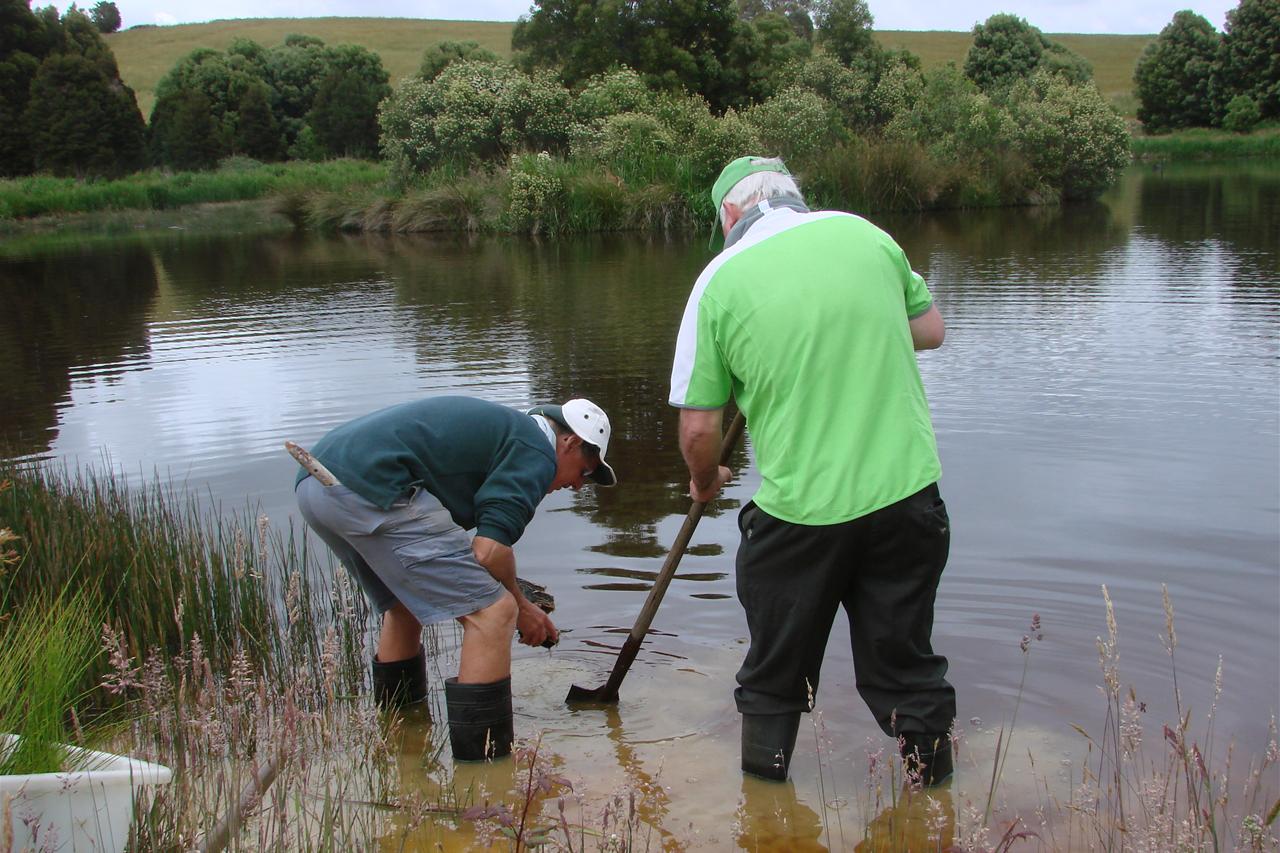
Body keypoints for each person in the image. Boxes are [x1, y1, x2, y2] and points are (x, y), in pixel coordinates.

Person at [668, 156, 955, 786]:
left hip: (802, 518)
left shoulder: (719, 280)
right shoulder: (866, 234)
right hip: (907, 501)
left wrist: (706, 476)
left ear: (730, 214)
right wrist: (853, 330)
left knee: (776, 676)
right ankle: (935, 802)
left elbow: (697, 428)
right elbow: (931, 330)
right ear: (796, 196)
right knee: (907, 667)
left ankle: (768, 816)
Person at [294, 395, 617, 761]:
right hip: (370, 487)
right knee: (494, 614)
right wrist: (522, 607)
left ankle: (401, 741)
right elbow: (489, 551)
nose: (578, 486)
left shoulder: (509, 434)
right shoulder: (536, 450)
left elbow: (478, 554)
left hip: (316, 482)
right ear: (569, 442)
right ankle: (484, 774)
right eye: (586, 471)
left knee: (403, 606)